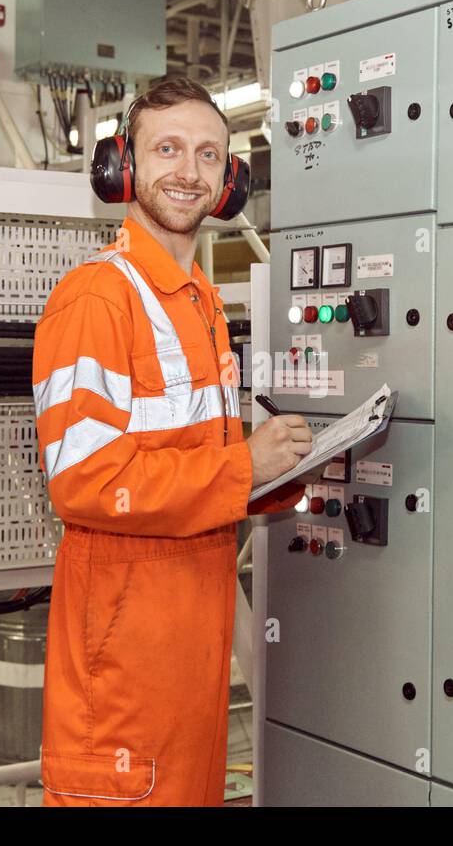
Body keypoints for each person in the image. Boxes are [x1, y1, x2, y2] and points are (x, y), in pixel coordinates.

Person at [31, 77, 310, 805]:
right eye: (168, 149)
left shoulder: (201, 304)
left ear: (229, 182)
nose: (189, 170)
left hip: (193, 650)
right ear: (124, 166)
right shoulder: (97, 299)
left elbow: (191, 458)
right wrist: (244, 466)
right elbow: (84, 479)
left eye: (209, 155)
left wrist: (281, 468)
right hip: (125, 667)